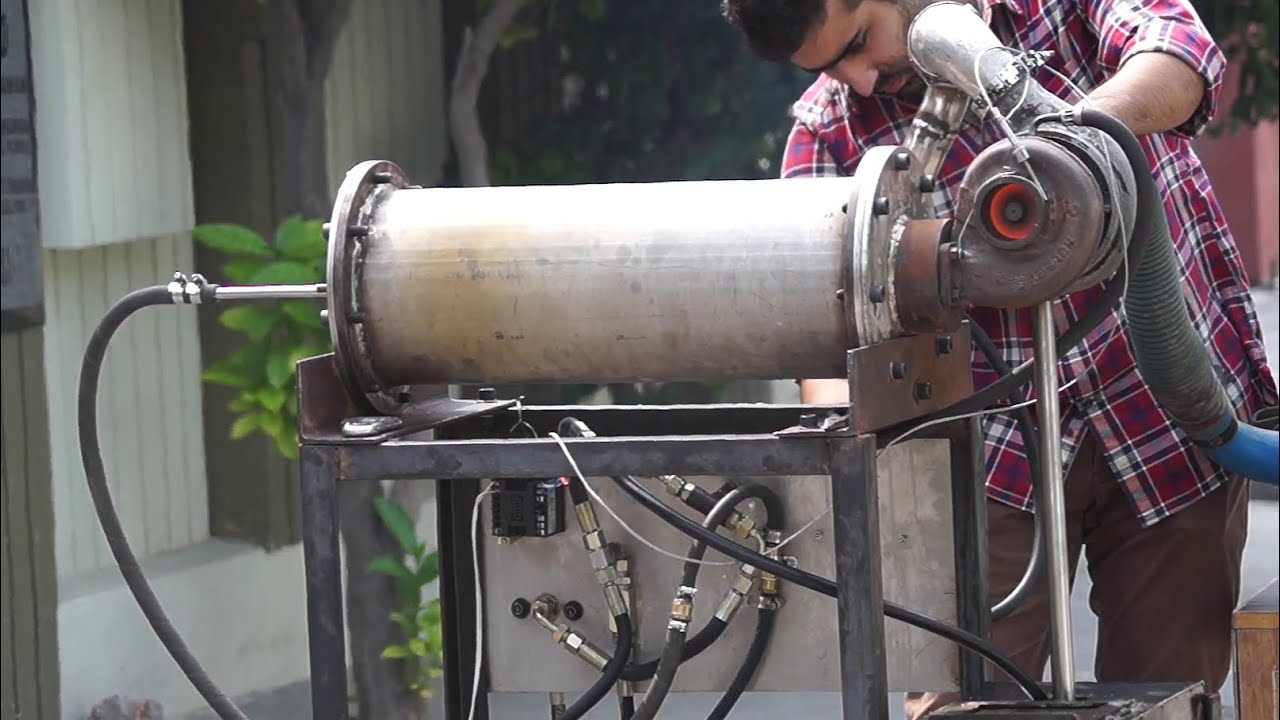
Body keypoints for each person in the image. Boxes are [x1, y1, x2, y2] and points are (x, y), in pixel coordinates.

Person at [720, 0, 1278, 716]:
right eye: (831, 67)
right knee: (964, 703)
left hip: (1167, 421)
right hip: (986, 466)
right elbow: (822, 335)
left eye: (859, 42)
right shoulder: (828, 136)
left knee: (1171, 697)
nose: (859, 81)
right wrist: (850, 457)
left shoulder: (1062, 11)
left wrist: (1078, 140)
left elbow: (1182, 55)